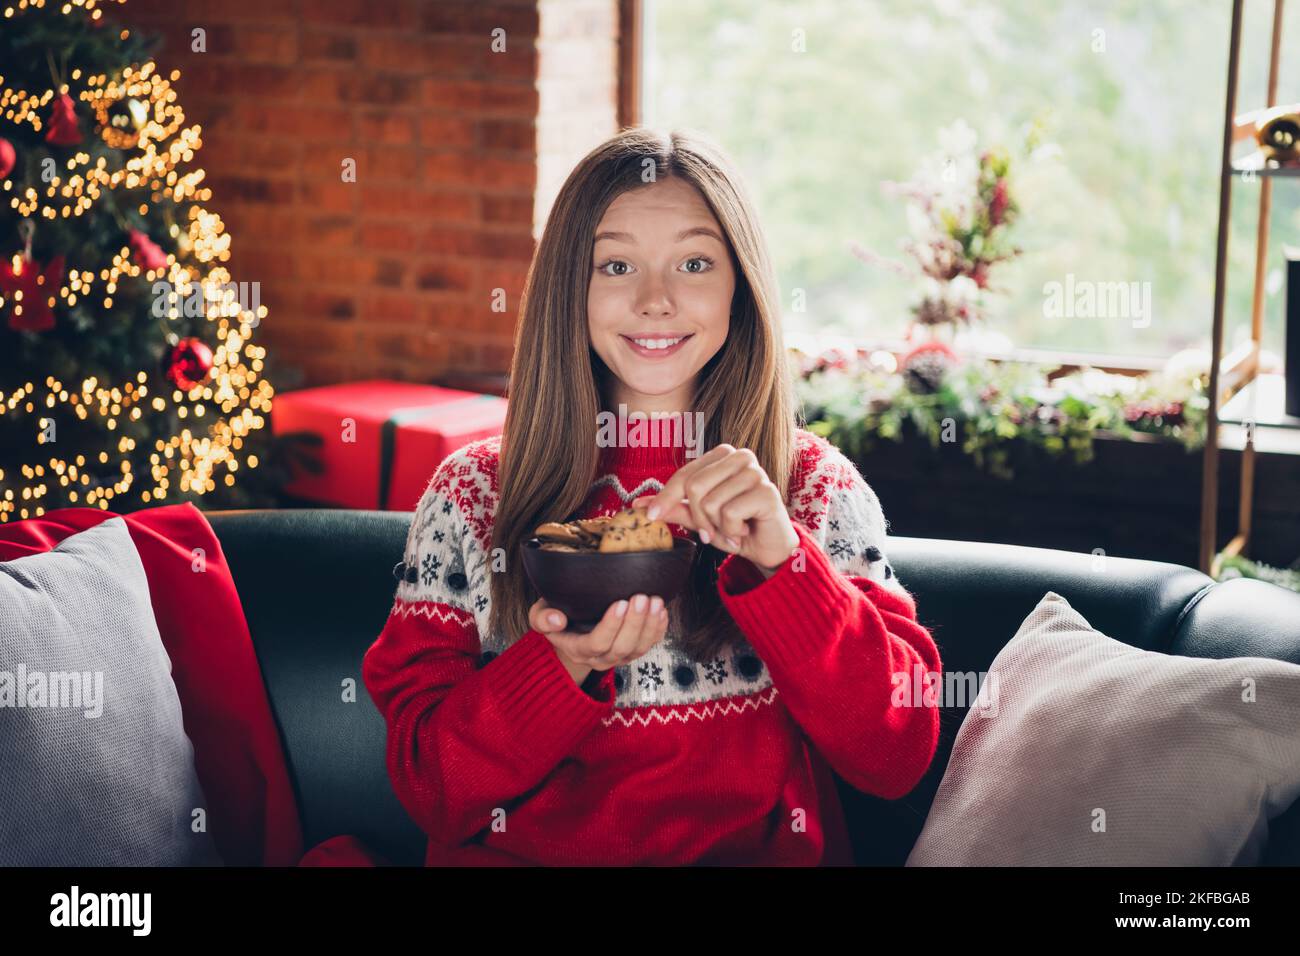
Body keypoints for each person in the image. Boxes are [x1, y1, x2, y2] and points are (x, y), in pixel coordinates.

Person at [362, 127, 943, 866]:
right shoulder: (473, 495)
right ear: (569, 286)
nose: (656, 300)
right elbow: (431, 790)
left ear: (742, 285)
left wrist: (786, 567)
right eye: (616, 265)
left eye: (694, 263)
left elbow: (894, 759)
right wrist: (560, 665)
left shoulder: (812, 490)